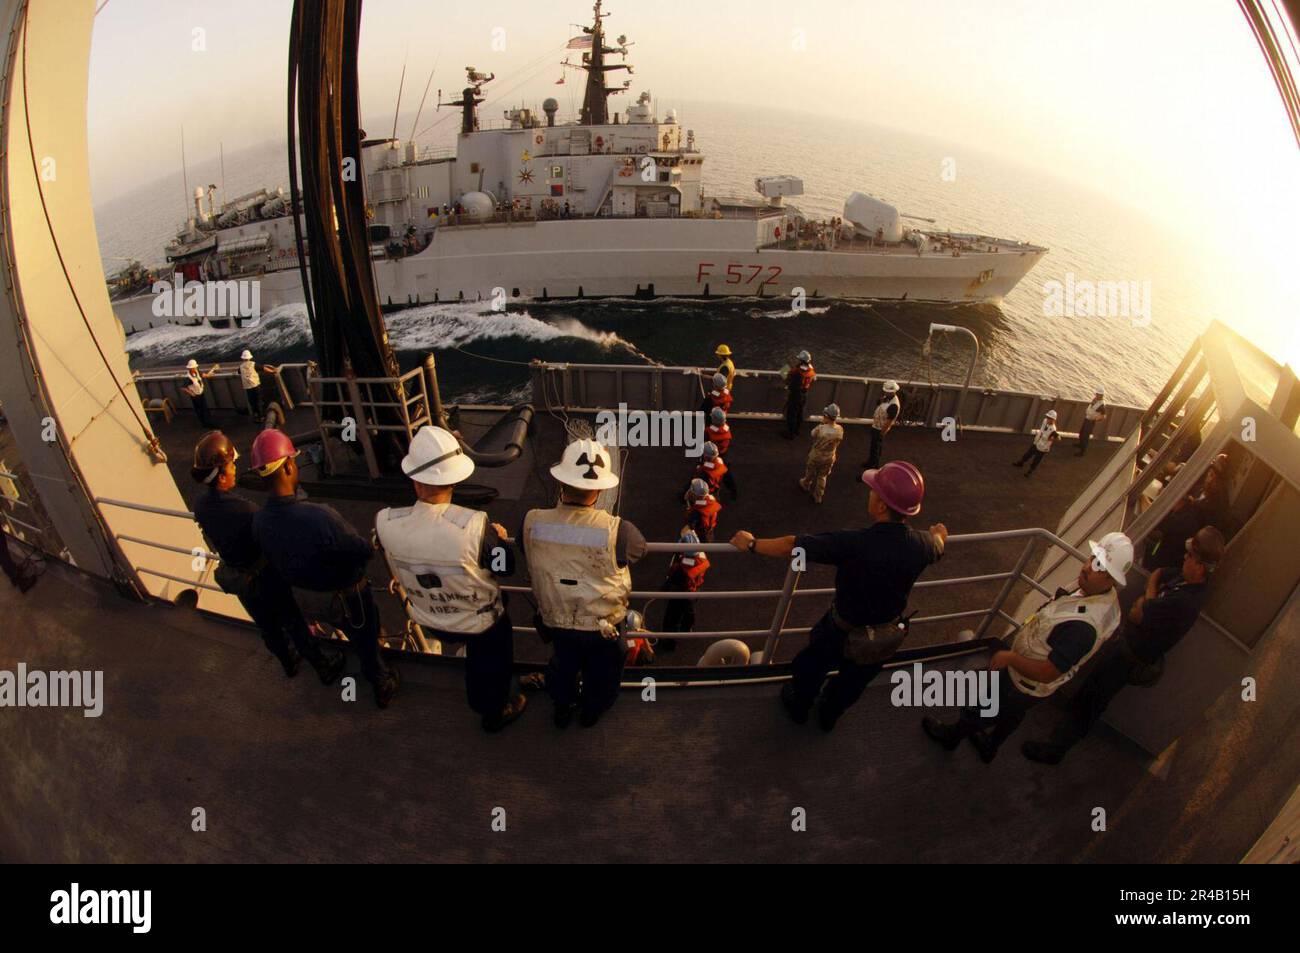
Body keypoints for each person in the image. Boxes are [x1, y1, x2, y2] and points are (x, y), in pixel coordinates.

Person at [731, 461, 947, 731]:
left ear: (881, 506)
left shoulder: (854, 543)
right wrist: (938, 534)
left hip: (840, 630)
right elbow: (937, 545)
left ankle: (798, 708)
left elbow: (793, 546)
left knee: (809, 670)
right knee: (852, 685)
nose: (869, 494)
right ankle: (828, 717)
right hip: (882, 636)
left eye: (873, 491)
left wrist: (751, 544)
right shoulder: (923, 544)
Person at [922, 531, 1133, 763]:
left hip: (1023, 681)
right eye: (1093, 558)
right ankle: (990, 747)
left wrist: (1011, 658)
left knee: (982, 707)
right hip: (1031, 689)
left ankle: (951, 737)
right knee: (1012, 715)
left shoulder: (1083, 628)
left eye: (1100, 565)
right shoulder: (1102, 599)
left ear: (1111, 580)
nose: (1088, 567)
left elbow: (1048, 672)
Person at [1023, 526, 1224, 764]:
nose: (1185, 557)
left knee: (1092, 702)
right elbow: (1158, 573)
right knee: (1089, 693)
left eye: (1190, 556)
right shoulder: (1184, 581)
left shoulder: (1185, 601)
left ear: (1200, 566)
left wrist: (1147, 600)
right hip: (1124, 649)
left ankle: (1055, 749)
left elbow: (1138, 612)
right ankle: (1062, 733)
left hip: (1128, 660)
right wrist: (1150, 596)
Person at [374, 426, 526, 732]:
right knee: (491, 661)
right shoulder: (475, 527)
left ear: (415, 481)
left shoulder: (385, 521)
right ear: (455, 479)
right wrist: (499, 538)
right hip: (480, 623)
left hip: (428, 618)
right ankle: (492, 711)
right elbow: (505, 567)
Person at [250, 429, 401, 709]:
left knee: (342, 628)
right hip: (347, 599)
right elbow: (362, 550)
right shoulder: (319, 516)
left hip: (305, 599)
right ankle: (380, 682)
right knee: (366, 640)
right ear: (288, 466)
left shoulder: (259, 521)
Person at [190, 431, 346, 685]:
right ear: (221, 475)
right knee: (292, 620)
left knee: (267, 626)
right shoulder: (245, 510)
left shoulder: (201, 505)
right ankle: (323, 666)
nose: (234, 469)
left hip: (239, 579)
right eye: (231, 466)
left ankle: (288, 663)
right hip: (265, 577)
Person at [521, 438, 646, 728]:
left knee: (563, 666)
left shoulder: (531, 521)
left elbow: (521, 544)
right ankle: (591, 713)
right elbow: (640, 551)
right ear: (601, 488)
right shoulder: (621, 531)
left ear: (561, 482)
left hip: (557, 621)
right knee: (602, 674)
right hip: (603, 628)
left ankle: (562, 708)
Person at [1144, 453, 1230, 570]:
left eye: (1215, 477)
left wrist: (1141, 495)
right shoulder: (1201, 491)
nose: (1210, 479)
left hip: (1171, 557)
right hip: (1164, 541)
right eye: (1210, 473)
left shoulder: (1208, 510)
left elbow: (1155, 521)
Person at [660, 528, 710, 651]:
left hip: (681, 593)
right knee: (689, 612)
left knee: (671, 619)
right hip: (694, 592)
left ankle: (670, 643)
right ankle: (687, 627)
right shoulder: (701, 558)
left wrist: (665, 588)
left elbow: (674, 579)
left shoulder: (682, 569)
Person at [800, 403, 844, 504]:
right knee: (822, 476)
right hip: (830, 456)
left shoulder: (821, 428)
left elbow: (812, 434)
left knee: (810, 471)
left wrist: (822, 424)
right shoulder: (840, 429)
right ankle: (818, 496)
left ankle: (806, 484)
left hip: (816, 455)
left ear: (826, 416)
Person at [865, 380, 900, 471]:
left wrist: (882, 433)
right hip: (876, 426)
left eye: (887, 392)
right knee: (873, 446)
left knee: (876, 448)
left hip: (880, 428)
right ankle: (871, 461)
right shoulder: (887, 398)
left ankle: (874, 466)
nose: (885, 393)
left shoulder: (894, 405)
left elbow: (889, 421)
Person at [1012, 409, 1059, 476]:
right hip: (1037, 441)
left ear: (1053, 420)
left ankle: (1030, 471)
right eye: (1048, 417)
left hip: (1043, 447)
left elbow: (1055, 438)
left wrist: (1051, 438)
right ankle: (1021, 462)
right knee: (1028, 454)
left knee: (1036, 460)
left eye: (1049, 418)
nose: (1047, 419)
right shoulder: (1045, 421)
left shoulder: (1053, 429)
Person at [705, 407, 738, 499]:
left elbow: (706, 443)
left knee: (702, 473)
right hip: (724, 455)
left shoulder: (709, 431)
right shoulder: (726, 430)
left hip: (711, 455)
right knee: (727, 475)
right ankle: (734, 491)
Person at [782, 350, 816, 439]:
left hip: (796, 395)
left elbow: (790, 380)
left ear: (801, 360)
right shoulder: (811, 369)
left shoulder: (797, 372)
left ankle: (790, 434)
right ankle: (796, 431)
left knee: (792, 414)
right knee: (799, 413)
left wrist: (786, 371)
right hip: (804, 394)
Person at [684, 476, 722, 543]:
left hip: (701, 532)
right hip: (709, 529)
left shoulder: (697, 511)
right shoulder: (712, 501)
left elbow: (691, 525)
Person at [181, 359, 215, 428]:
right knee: (200, 410)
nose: (195, 368)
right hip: (195, 396)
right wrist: (191, 393)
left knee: (204, 408)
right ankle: (205, 423)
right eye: (194, 367)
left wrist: (209, 375)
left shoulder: (197, 372)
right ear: (191, 368)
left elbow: (203, 375)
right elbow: (183, 388)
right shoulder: (188, 378)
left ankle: (208, 421)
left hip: (201, 393)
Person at [1076, 387, 1107, 456]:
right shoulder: (1095, 400)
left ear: (1101, 395)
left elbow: (1103, 416)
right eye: (1096, 393)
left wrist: (1095, 419)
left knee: (1085, 436)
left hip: (1090, 421)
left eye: (1097, 394)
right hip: (1087, 418)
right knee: (1081, 432)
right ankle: (1080, 444)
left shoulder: (1101, 405)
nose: (1096, 395)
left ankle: (1082, 452)